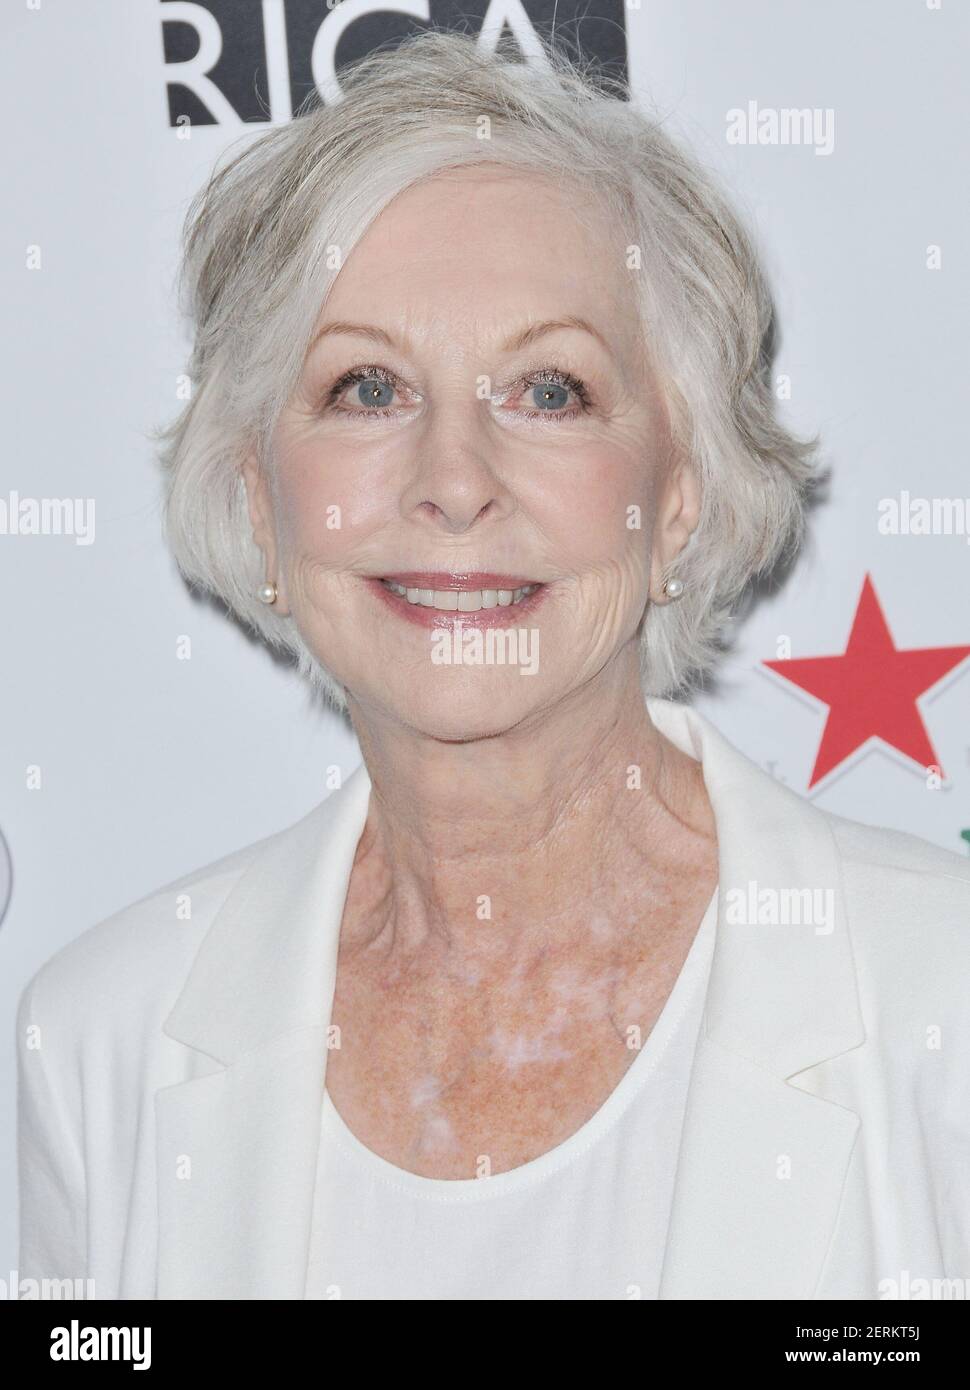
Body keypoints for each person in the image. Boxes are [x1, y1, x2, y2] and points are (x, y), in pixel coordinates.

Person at [17, 29, 970, 1301]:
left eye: (549, 391)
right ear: (258, 498)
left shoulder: (938, 1006)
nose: (453, 482)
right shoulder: (99, 1041)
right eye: (366, 387)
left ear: (677, 498)